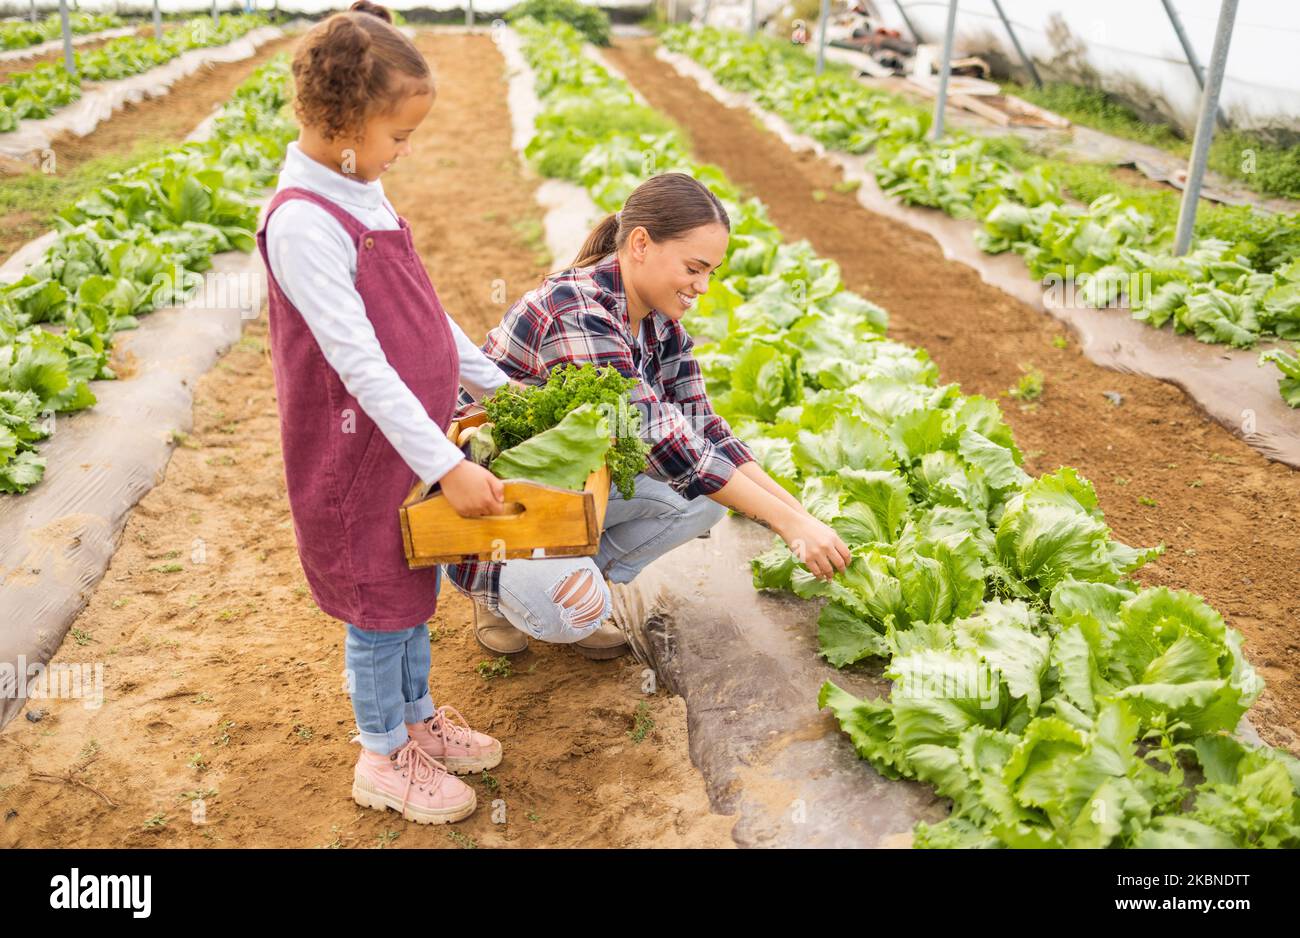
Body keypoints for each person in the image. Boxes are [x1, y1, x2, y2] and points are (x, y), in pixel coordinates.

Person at [256, 0, 506, 826]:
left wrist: (499, 386)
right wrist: (447, 462)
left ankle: (416, 717)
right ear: (342, 123)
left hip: (407, 442)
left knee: (414, 582)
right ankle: (379, 753)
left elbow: (425, 318)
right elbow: (359, 361)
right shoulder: (302, 221)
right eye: (397, 136)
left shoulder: (365, 192)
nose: (404, 152)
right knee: (376, 602)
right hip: (354, 454)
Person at [447, 173, 852, 659]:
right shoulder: (575, 311)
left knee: (709, 498)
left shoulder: (660, 321)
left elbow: (706, 431)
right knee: (574, 612)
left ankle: (576, 576)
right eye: (694, 268)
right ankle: (497, 590)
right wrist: (788, 526)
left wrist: (802, 518)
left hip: (576, 485)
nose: (701, 287)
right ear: (640, 243)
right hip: (500, 500)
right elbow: (661, 441)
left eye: (711, 274)